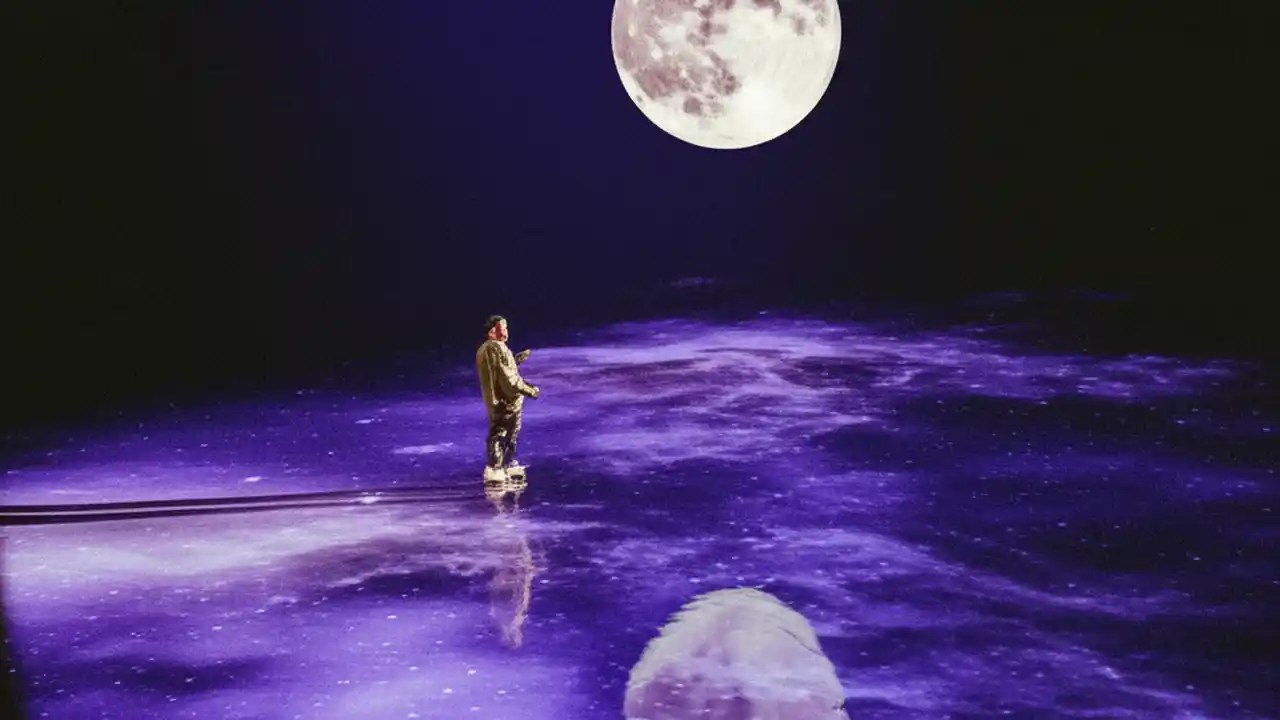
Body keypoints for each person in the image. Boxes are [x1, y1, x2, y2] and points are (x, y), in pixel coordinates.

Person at [476, 315, 540, 482]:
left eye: (506, 327)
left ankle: (506, 463)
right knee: (500, 433)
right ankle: (494, 467)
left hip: (509, 401)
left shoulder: (498, 348)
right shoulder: (493, 348)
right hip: (504, 401)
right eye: (501, 328)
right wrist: (529, 390)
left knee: (510, 434)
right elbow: (508, 379)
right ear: (491, 332)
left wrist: (515, 360)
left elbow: (503, 369)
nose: (505, 331)